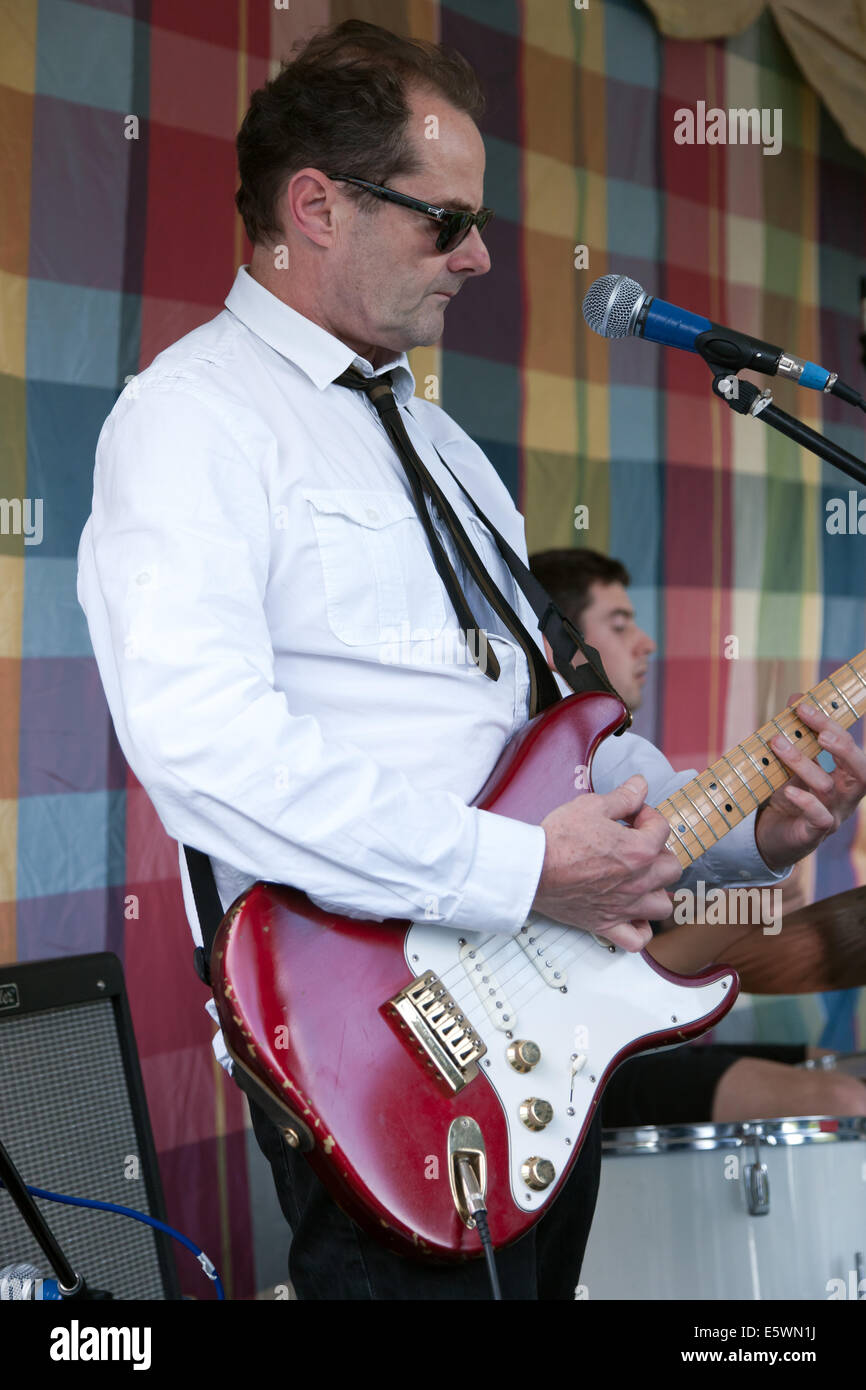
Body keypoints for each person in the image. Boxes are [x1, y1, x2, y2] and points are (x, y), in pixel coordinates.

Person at [76, 21, 866, 1300]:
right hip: (381, 1043)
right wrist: (522, 869)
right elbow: (202, 745)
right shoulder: (190, 419)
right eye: (446, 223)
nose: (482, 254)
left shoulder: (441, 446)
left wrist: (748, 833)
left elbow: (552, 736)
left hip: (544, 1033)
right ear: (315, 207)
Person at [529, 547, 866, 1124]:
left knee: (834, 1065)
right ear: (557, 647)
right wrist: (741, 908)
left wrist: (764, 844)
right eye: (618, 623)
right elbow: (624, 979)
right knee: (843, 1100)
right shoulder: (535, 772)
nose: (646, 643)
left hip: (631, 1041)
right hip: (566, 1058)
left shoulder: (623, 766)